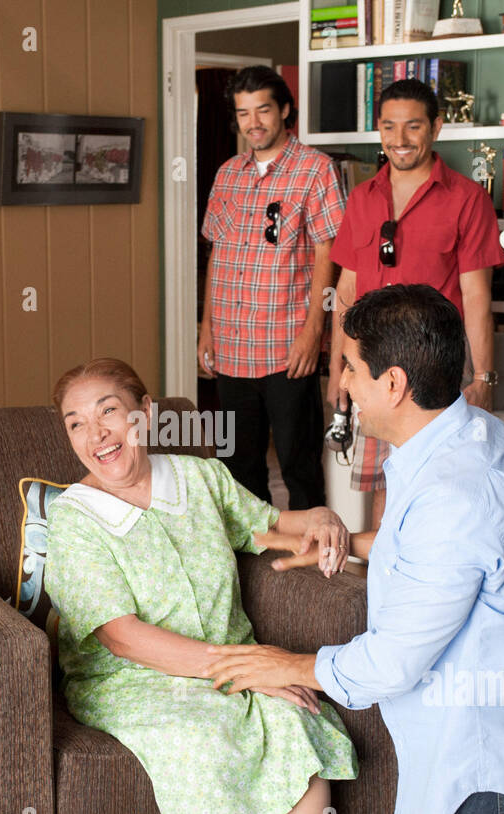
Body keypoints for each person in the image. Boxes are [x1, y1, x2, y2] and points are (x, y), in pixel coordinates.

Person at [204, 284, 504, 814]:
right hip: (478, 740)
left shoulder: (456, 493)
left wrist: (283, 663)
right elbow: (443, 556)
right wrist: (352, 546)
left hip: (471, 769)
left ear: (393, 384)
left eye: (350, 367)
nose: (341, 383)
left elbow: (391, 663)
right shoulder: (469, 434)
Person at [43, 358, 358, 814]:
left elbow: (268, 526)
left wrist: (320, 515)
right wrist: (245, 670)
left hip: (234, 659)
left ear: (144, 414)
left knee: (294, 717)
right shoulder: (73, 521)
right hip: (131, 679)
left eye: (108, 411)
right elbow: (122, 638)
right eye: (76, 423)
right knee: (201, 741)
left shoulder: (200, 477)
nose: (95, 432)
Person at [326, 79, 504, 530]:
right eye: (389, 127)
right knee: (382, 483)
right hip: (371, 366)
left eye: (412, 127)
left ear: (436, 128)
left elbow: (478, 296)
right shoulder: (363, 198)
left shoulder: (468, 199)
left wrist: (483, 377)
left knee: (437, 484)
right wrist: (338, 373)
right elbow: (345, 293)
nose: (400, 140)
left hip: (436, 367)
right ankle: (383, 588)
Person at [197, 66, 346, 510]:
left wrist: (313, 332)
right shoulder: (227, 174)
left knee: (299, 466)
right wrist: (206, 327)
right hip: (230, 346)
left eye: (263, 109)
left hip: (287, 347)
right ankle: (257, 565)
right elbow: (217, 257)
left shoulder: (315, 170)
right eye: (244, 113)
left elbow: (330, 256)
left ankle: (313, 572)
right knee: (238, 466)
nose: (253, 122)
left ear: (284, 110)